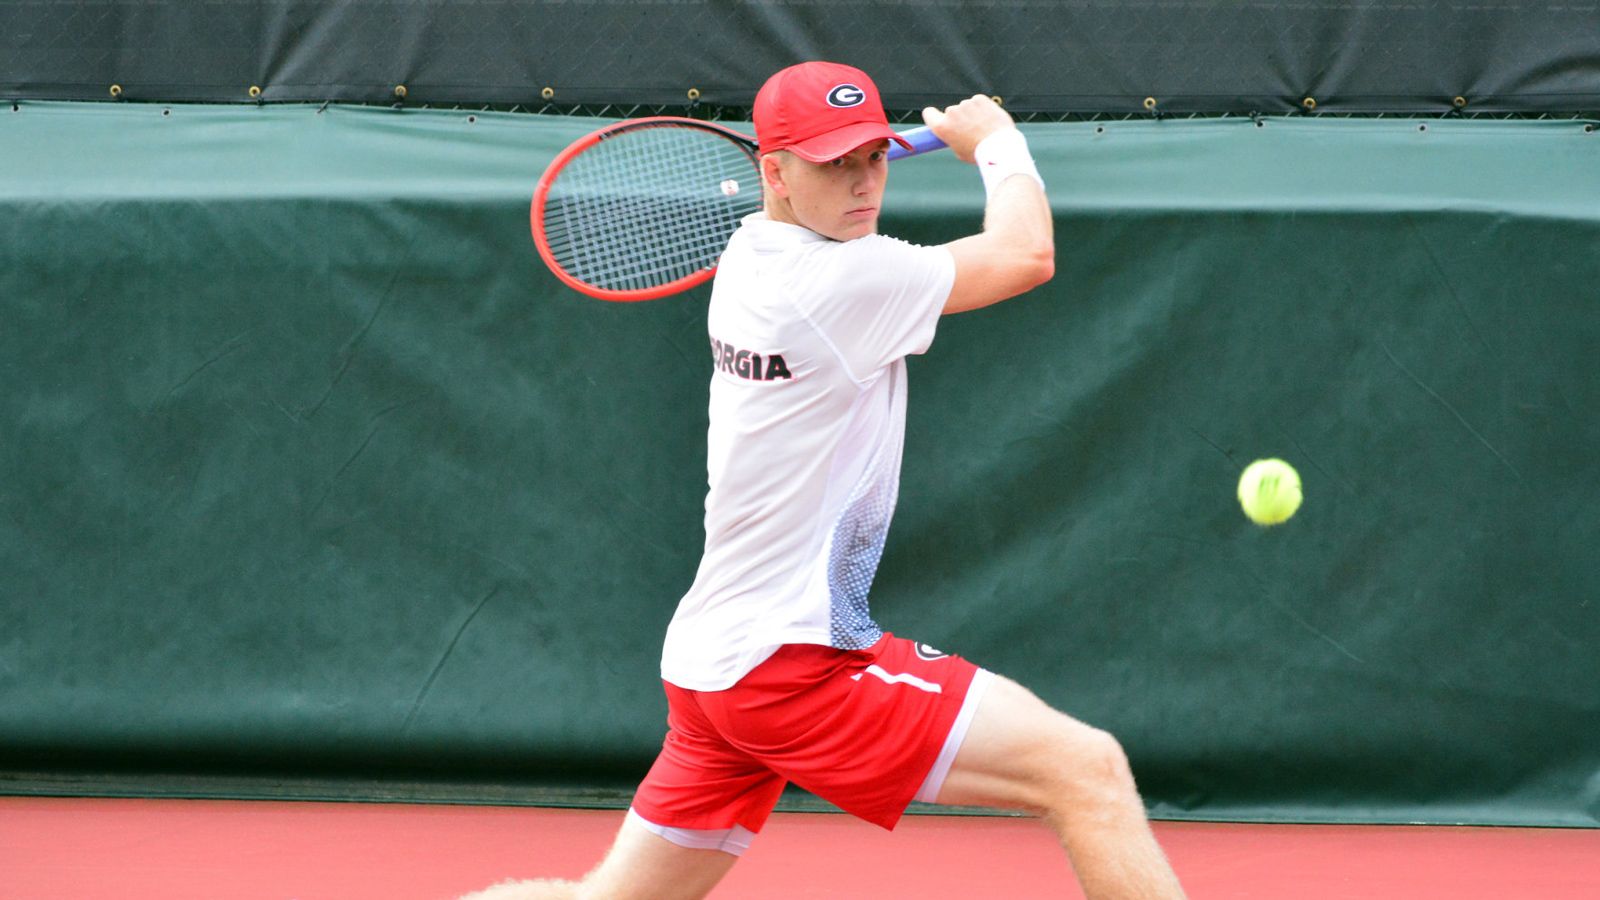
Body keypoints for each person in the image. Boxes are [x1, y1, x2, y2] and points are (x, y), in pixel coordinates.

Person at [461, 61, 1185, 900]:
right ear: (773, 171)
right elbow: (1026, 254)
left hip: (711, 667)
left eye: (873, 156)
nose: (863, 182)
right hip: (788, 667)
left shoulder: (753, 252)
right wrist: (999, 146)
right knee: (1085, 771)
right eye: (833, 163)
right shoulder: (834, 283)